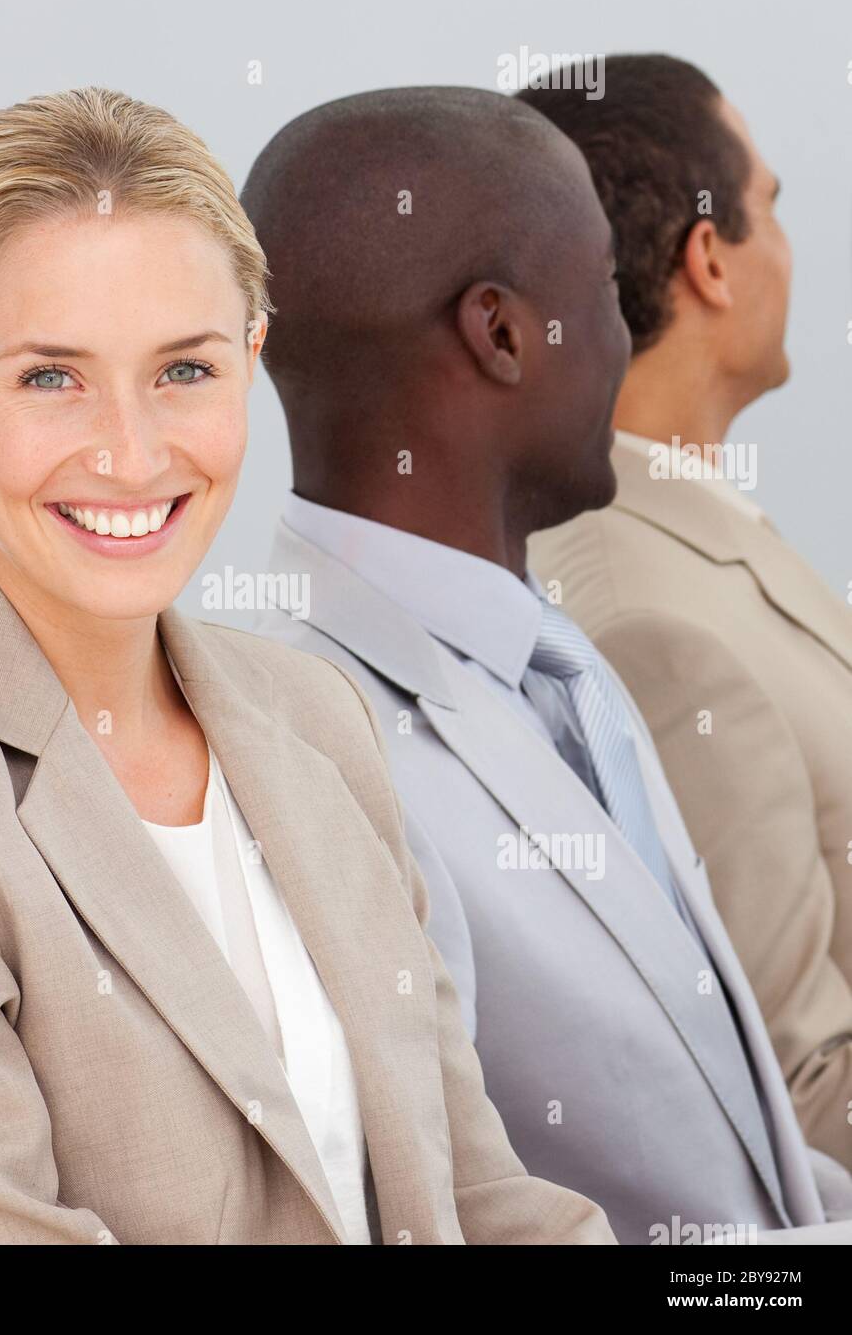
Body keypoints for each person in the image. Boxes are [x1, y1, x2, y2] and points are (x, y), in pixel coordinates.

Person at [0, 87, 612, 1246]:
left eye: (183, 370)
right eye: (51, 376)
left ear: (252, 359)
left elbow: (479, 1201)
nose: (131, 455)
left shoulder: (314, 715)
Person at [243, 84, 852, 1243]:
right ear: (504, 333)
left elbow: (756, 1177)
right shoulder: (315, 752)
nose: (627, 344)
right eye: (605, 299)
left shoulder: (553, 664)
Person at [521, 56, 852, 1172]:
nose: (791, 249)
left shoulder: (700, 539)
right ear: (709, 258)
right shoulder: (647, 622)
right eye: (769, 210)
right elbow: (800, 1095)